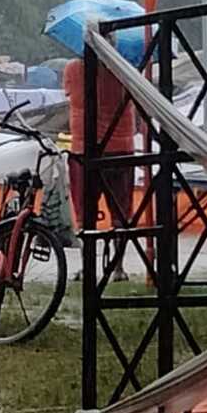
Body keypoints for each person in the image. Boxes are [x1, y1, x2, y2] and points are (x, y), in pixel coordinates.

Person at [63, 39, 138, 283]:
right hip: (120, 149)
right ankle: (118, 268)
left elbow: (72, 99)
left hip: (84, 150)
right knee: (121, 213)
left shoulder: (72, 70)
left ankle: (87, 268)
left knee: (85, 214)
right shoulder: (124, 70)